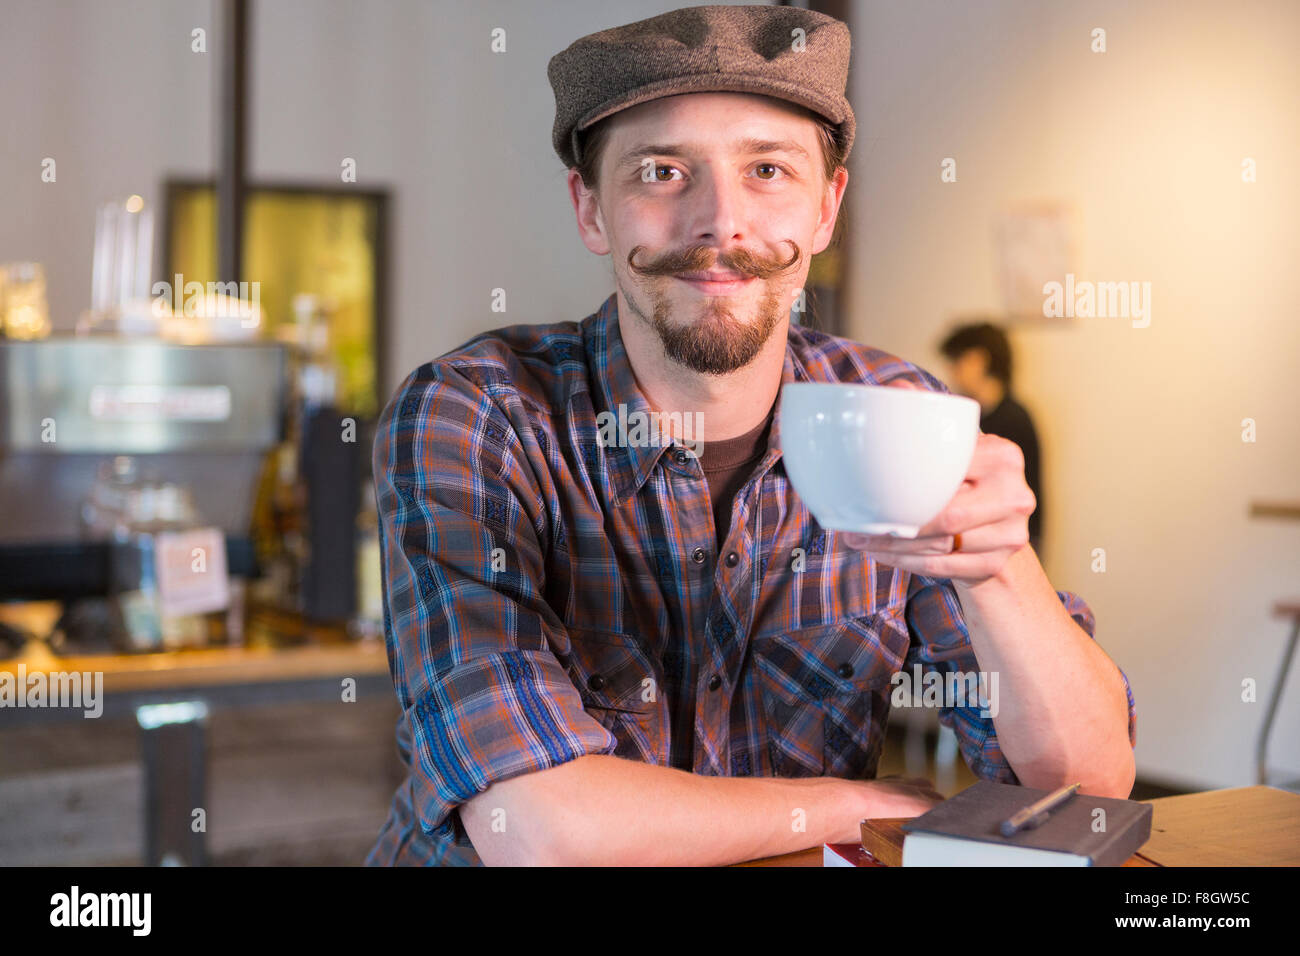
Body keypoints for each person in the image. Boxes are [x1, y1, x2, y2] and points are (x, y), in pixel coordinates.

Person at [367, 5, 1136, 867]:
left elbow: (1090, 787)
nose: (720, 223)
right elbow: (540, 833)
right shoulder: (479, 416)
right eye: (661, 171)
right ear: (591, 210)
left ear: (826, 209)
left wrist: (1000, 570)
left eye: (769, 169)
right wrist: (864, 805)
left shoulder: (895, 409)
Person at [939, 322, 1044, 553]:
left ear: (978, 360)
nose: (951, 371)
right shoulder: (975, 417)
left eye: (957, 361)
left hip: (1012, 543)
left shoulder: (1014, 419)